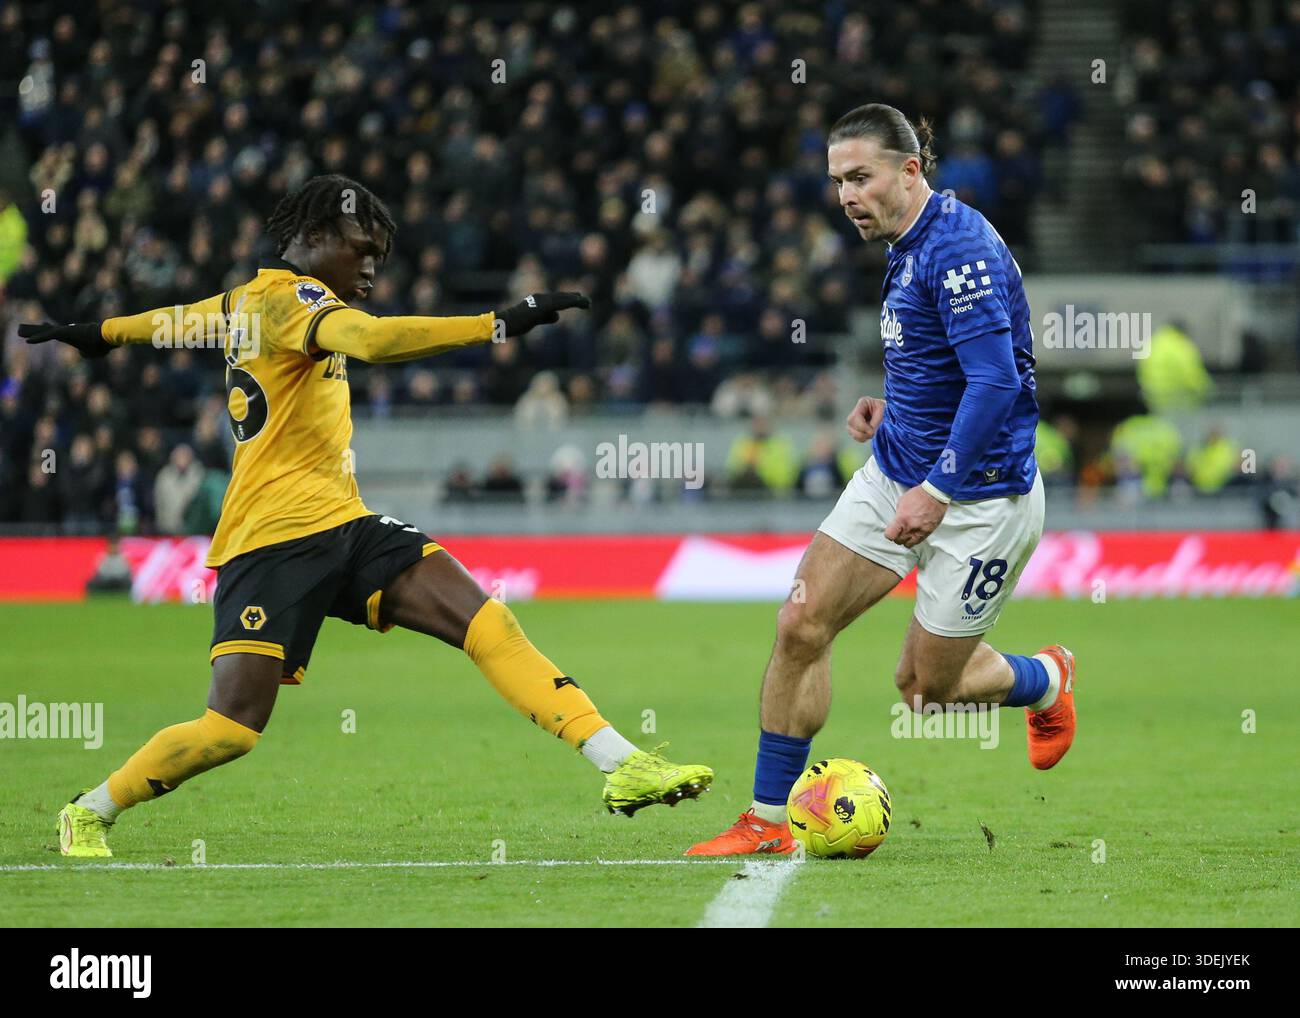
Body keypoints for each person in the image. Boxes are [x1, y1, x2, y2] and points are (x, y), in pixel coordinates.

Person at [23, 174, 711, 858]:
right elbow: (374, 343)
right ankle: (91, 809)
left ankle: (620, 761)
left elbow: (171, 321)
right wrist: (494, 323)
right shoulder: (295, 300)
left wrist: (100, 333)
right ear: (315, 238)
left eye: (380, 253)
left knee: (485, 620)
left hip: (347, 526)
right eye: (361, 249)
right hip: (271, 542)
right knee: (230, 729)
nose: (372, 266)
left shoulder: (245, 300)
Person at [687, 105, 1075, 857]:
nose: (846, 197)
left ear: (910, 169)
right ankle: (767, 819)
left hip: (980, 499)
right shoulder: (907, 241)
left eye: (860, 177)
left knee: (927, 692)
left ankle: (1046, 680)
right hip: (894, 469)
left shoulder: (957, 250)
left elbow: (996, 384)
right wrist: (893, 406)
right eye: (836, 181)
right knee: (800, 624)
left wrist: (937, 489)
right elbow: (945, 362)